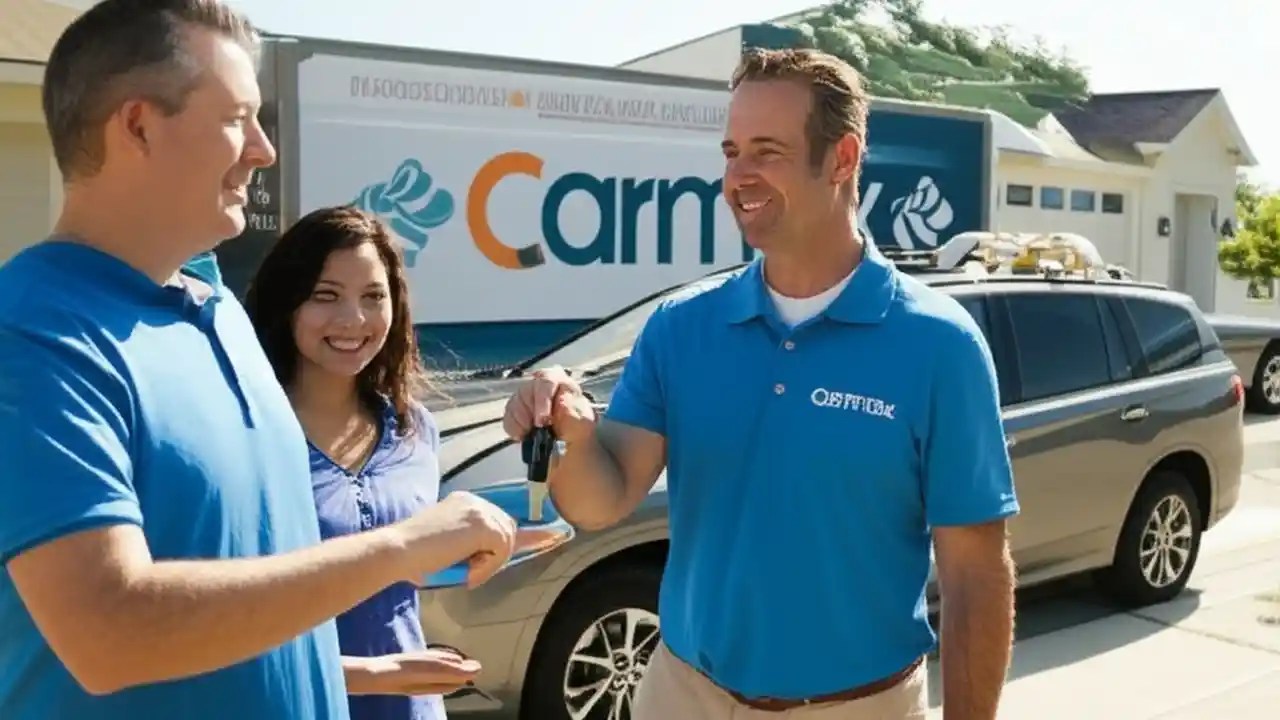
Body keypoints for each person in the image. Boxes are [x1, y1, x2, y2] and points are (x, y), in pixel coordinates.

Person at [0, 2, 518, 719]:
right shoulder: (34, 331)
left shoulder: (220, 311)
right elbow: (109, 633)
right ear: (139, 125)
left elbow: (236, 602)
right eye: (238, 118)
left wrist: (362, 670)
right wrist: (401, 546)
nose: (263, 150)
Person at [502, 47, 1020, 720]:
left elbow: (975, 575)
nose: (737, 177)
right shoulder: (682, 327)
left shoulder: (939, 345)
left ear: (841, 158)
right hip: (681, 694)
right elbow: (604, 498)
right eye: (730, 150)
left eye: (767, 151)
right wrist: (569, 433)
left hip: (856, 707)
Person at [243, 205, 471, 720]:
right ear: (287, 303)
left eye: (373, 297)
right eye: (326, 296)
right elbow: (227, 623)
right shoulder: (246, 435)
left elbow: (406, 575)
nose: (354, 320)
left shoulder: (415, 430)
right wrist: (378, 674)